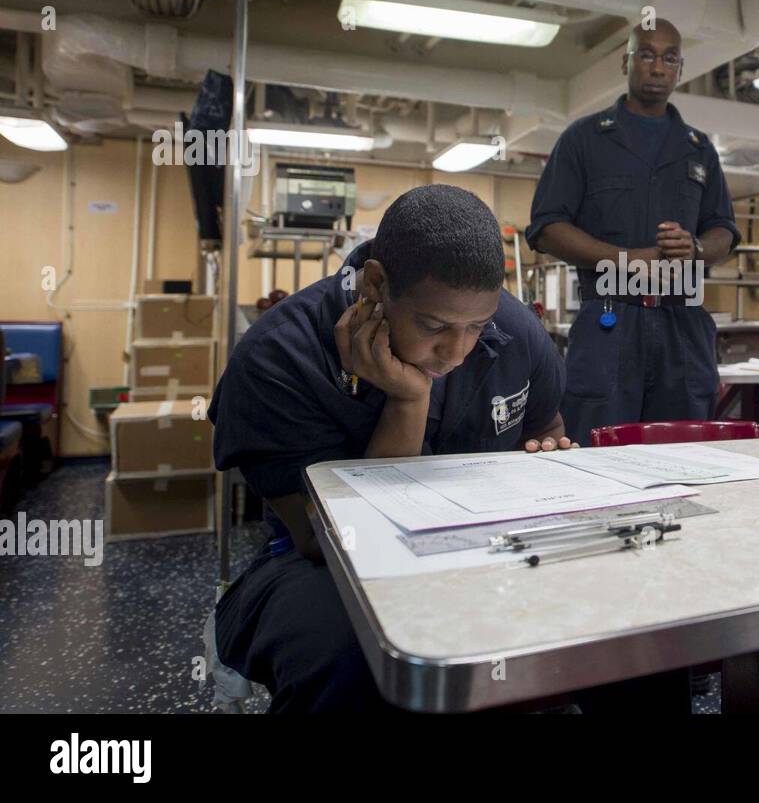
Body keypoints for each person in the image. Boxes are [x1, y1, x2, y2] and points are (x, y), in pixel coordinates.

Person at [210, 185, 571, 712]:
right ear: (377, 284)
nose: (456, 352)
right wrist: (408, 399)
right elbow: (330, 538)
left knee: (605, 614)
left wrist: (549, 453)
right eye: (434, 327)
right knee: (354, 655)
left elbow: (546, 422)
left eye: (476, 327)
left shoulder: (513, 329)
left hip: (482, 543)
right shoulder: (278, 357)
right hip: (319, 565)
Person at [526, 19, 741, 446]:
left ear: (680, 69)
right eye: (646, 55)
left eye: (669, 58)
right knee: (596, 446)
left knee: (684, 454)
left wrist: (697, 249)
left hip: (684, 319)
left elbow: (725, 230)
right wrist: (623, 261)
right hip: (610, 314)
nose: (658, 67)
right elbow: (547, 227)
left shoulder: (699, 148)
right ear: (626, 62)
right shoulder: (584, 140)